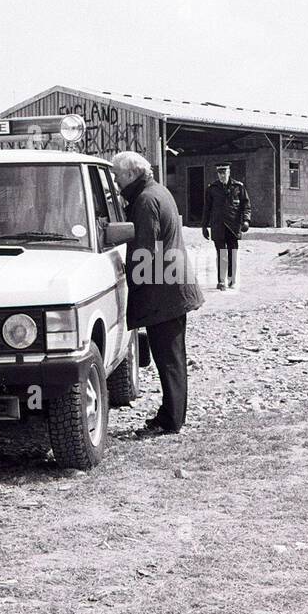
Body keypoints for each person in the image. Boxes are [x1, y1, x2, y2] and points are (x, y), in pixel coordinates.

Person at [110, 151, 204, 437]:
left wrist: (124, 276)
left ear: (129, 174)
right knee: (171, 357)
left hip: (164, 291)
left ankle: (172, 420)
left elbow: (144, 252)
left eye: (116, 175)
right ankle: (172, 414)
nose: (115, 181)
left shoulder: (145, 200)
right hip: (170, 286)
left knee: (169, 358)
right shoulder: (156, 191)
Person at [202, 163, 250, 290]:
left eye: (225, 172)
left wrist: (246, 220)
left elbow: (246, 206)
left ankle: (232, 280)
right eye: (220, 173)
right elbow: (207, 209)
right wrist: (204, 226)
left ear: (229, 172)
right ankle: (222, 281)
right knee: (221, 253)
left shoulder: (238, 187)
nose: (222, 175)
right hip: (218, 226)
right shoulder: (212, 188)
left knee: (232, 253)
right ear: (217, 174)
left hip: (233, 226)